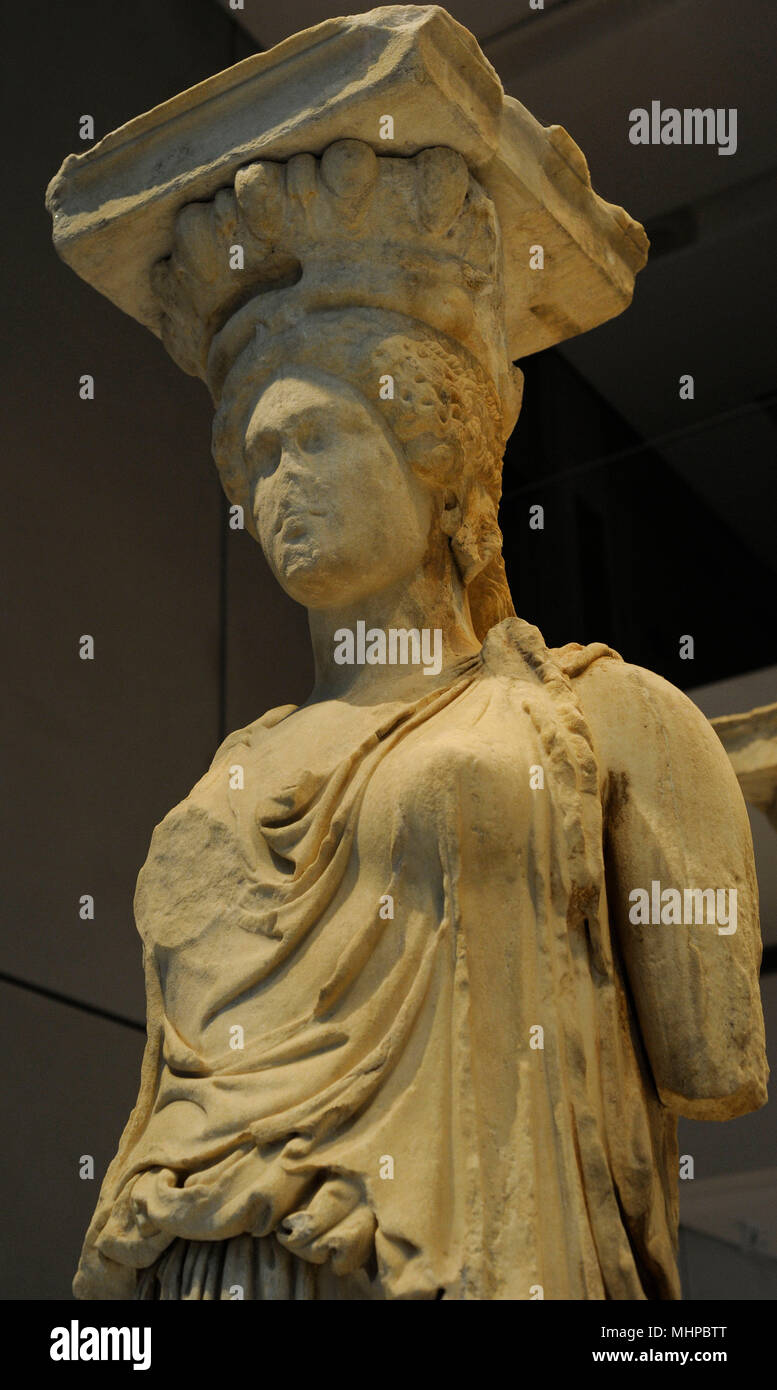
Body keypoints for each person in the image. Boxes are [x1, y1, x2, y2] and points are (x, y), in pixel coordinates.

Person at [73, 309, 767, 1301]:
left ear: (440, 470)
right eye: (260, 457)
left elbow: (714, 1060)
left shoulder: (603, 719)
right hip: (207, 1263)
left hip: (465, 1256)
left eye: (316, 437)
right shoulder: (222, 781)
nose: (281, 483)